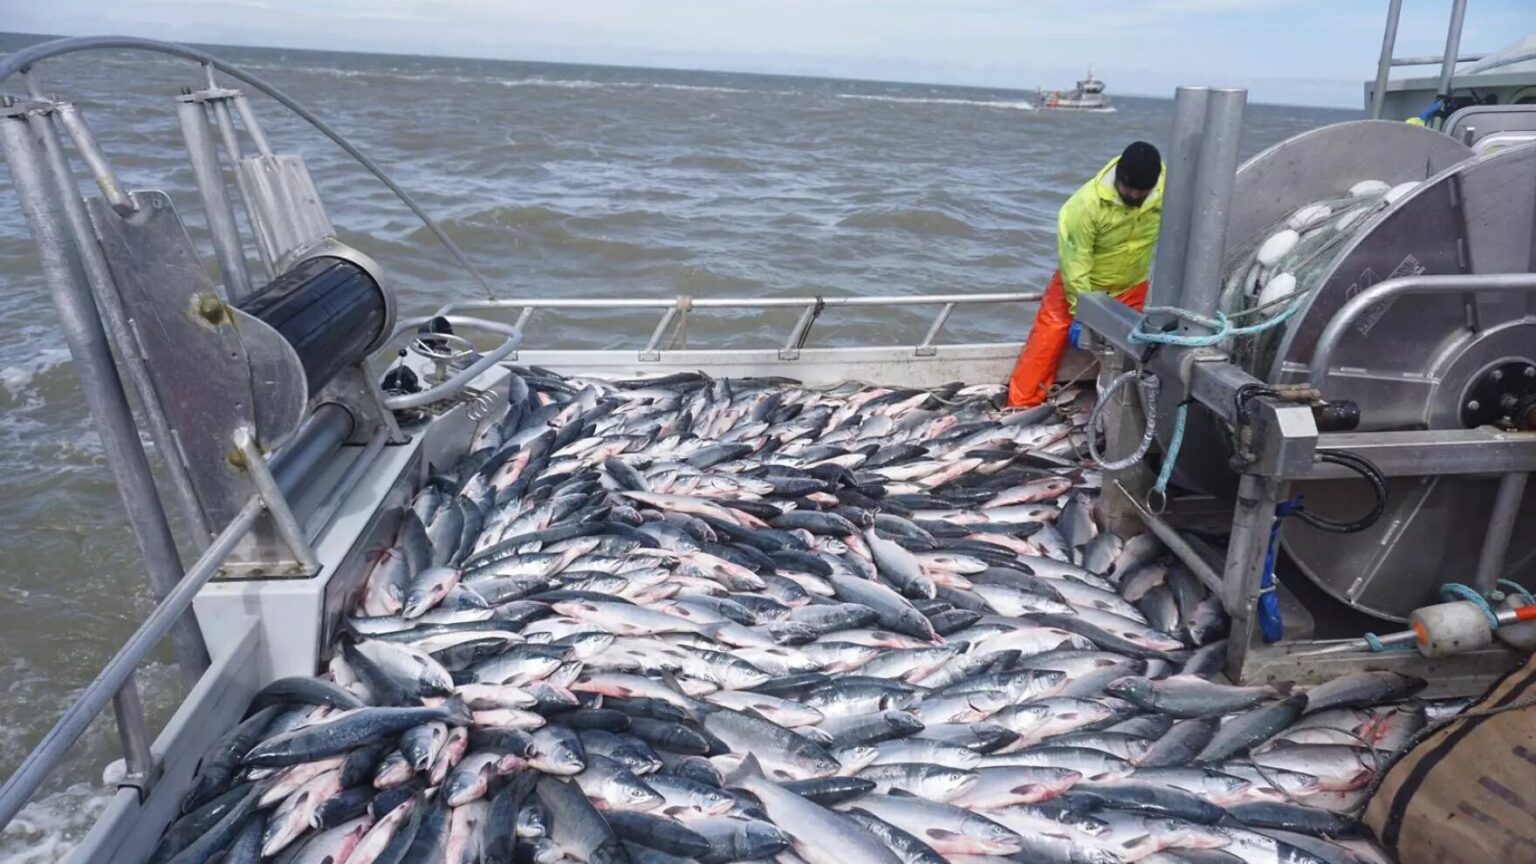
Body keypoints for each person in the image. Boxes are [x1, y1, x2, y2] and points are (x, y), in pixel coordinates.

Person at [1006, 141, 1165, 408]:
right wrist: (1082, 310)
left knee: (1131, 352)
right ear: (1120, 178)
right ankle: (1020, 406)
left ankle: (1120, 408)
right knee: (1047, 342)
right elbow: (1075, 263)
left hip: (1131, 286)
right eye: (1129, 190)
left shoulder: (1166, 189)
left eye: (1142, 191)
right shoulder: (1085, 206)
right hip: (1080, 284)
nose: (1135, 196)